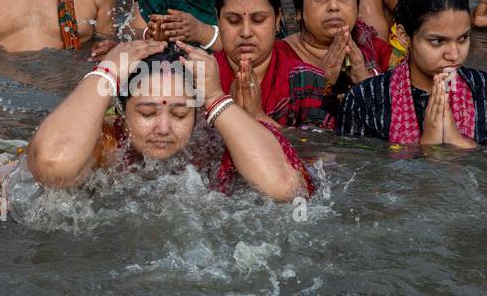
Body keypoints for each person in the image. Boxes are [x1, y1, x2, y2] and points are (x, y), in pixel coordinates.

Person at [26, 39, 313, 201]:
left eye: (179, 114)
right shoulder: (105, 143)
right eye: (147, 113)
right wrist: (106, 74)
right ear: (120, 111)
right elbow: (52, 166)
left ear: (200, 114)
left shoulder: (215, 143)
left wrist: (215, 97)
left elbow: (286, 189)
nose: (163, 128)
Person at [338, 0, 487, 147]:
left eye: (463, 38)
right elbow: (359, 175)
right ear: (404, 36)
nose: (454, 54)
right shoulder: (365, 100)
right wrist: (427, 150)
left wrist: (458, 142)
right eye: (438, 41)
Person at [212, 0, 333, 129]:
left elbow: (320, 149)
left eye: (258, 20)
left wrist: (258, 116)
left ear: (277, 20)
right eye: (233, 21)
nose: (246, 32)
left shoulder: (308, 82)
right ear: (218, 20)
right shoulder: (199, 77)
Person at [284, 0, 391, 121]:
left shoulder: (380, 53)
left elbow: (402, 125)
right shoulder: (278, 59)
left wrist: (364, 80)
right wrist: (321, 84)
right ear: (298, 11)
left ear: (358, 6)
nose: (334, 6)